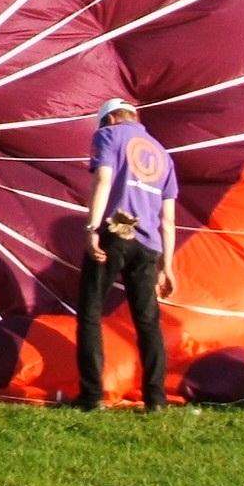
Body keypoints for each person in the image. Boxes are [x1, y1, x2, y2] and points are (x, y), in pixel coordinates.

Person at [76, 97, 178, 411]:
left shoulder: (108, 135)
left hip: (115, 231)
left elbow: (103, 180)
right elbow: (168, 218)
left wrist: (92, 228)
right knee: (148, 322)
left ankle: (92, 396)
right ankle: (156, 399)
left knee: (91, 311)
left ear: (109, 119)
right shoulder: (162, 154)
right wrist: (167, 266)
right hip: (148, 245)